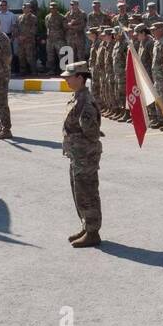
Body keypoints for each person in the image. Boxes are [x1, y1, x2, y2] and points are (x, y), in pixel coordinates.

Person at [60, 61, 103, 248]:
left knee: (87, 192)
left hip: (85, 155)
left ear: (80, 77)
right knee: (79, 191)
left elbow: (91, 131)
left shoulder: (85, 101)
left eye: (70, 76)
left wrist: (81, 146)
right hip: (77, 154)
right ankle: (86, 226)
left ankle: (93, 232)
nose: (67, 79)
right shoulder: (77, 96)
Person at [17, 1, 38, 76]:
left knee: (30, 57)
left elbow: (34, 29)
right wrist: (18, 36)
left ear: (29, 9)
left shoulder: (33, 18)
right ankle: (22, 72)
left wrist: (25, 36)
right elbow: (16, 27)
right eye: (23, 7)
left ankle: (34, 71)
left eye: (25, 7)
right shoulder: (20, 17)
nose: (24, 9)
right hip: (21, 41)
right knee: (21, 57)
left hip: (29, 41)